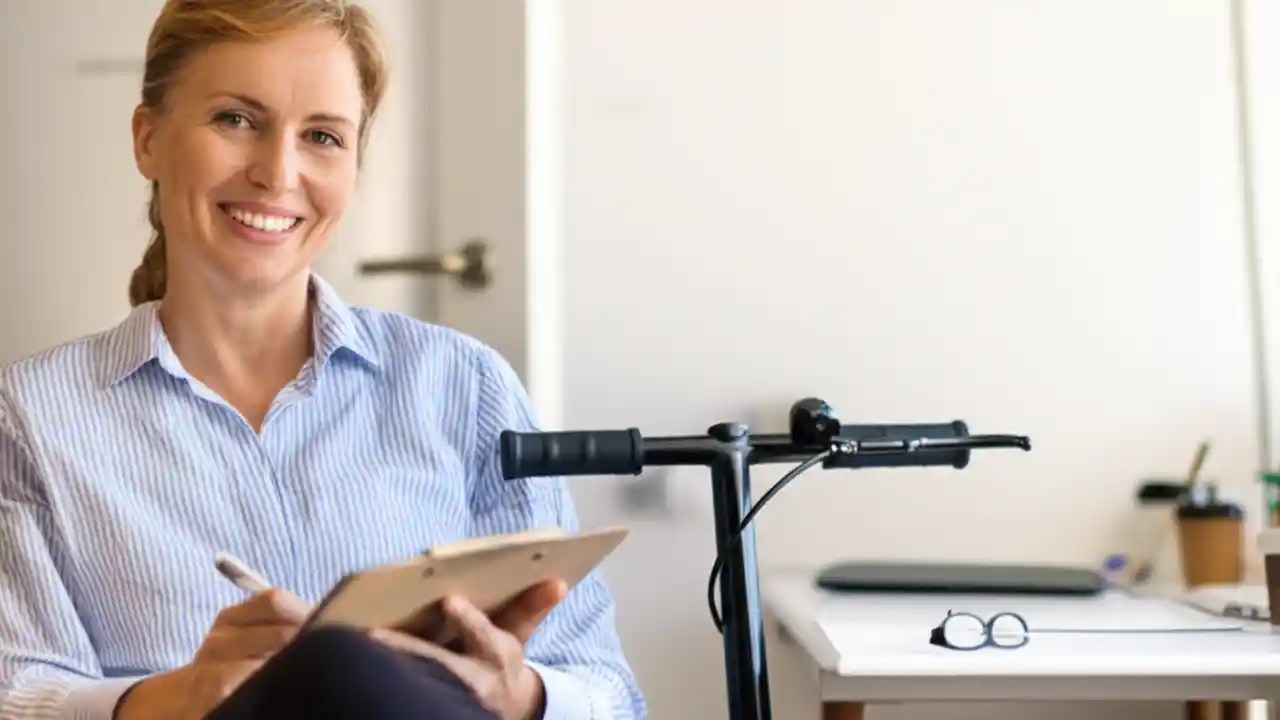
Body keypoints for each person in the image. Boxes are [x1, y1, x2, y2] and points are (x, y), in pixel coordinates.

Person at [0, 1, 646, 718]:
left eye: (322, 137)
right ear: (148, 139)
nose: (278, 173)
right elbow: (16, 692)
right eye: (236, 120)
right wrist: (176, 697)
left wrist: (520, 695)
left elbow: (611, 695)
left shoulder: (463, 386)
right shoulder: (34, 416)